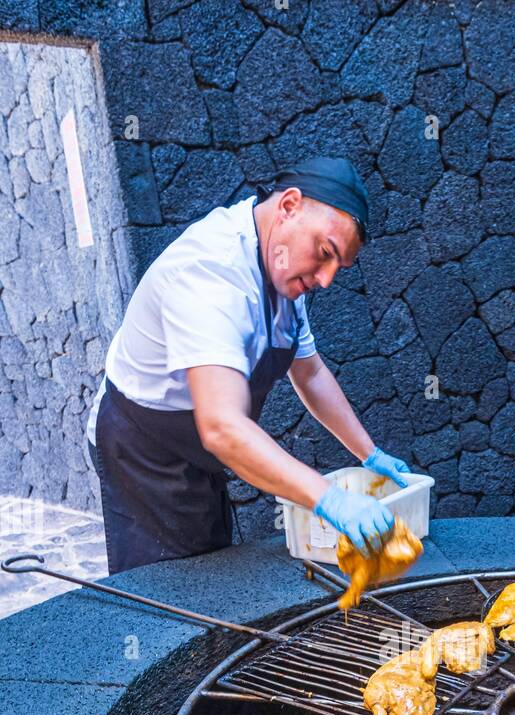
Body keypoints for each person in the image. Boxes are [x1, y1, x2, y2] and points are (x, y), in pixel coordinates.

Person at [86, 156, 410, 573]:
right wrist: (329, 498)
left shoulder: (282, 271)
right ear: (289, 206)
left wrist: (370, 454)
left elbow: (309, 373)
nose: (327, 279)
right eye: (325, 253)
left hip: (200, 447)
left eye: (338, 267)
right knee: (165, 598)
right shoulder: (211, 275)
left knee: (212, 570)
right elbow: (222, 426)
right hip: (143, 448)